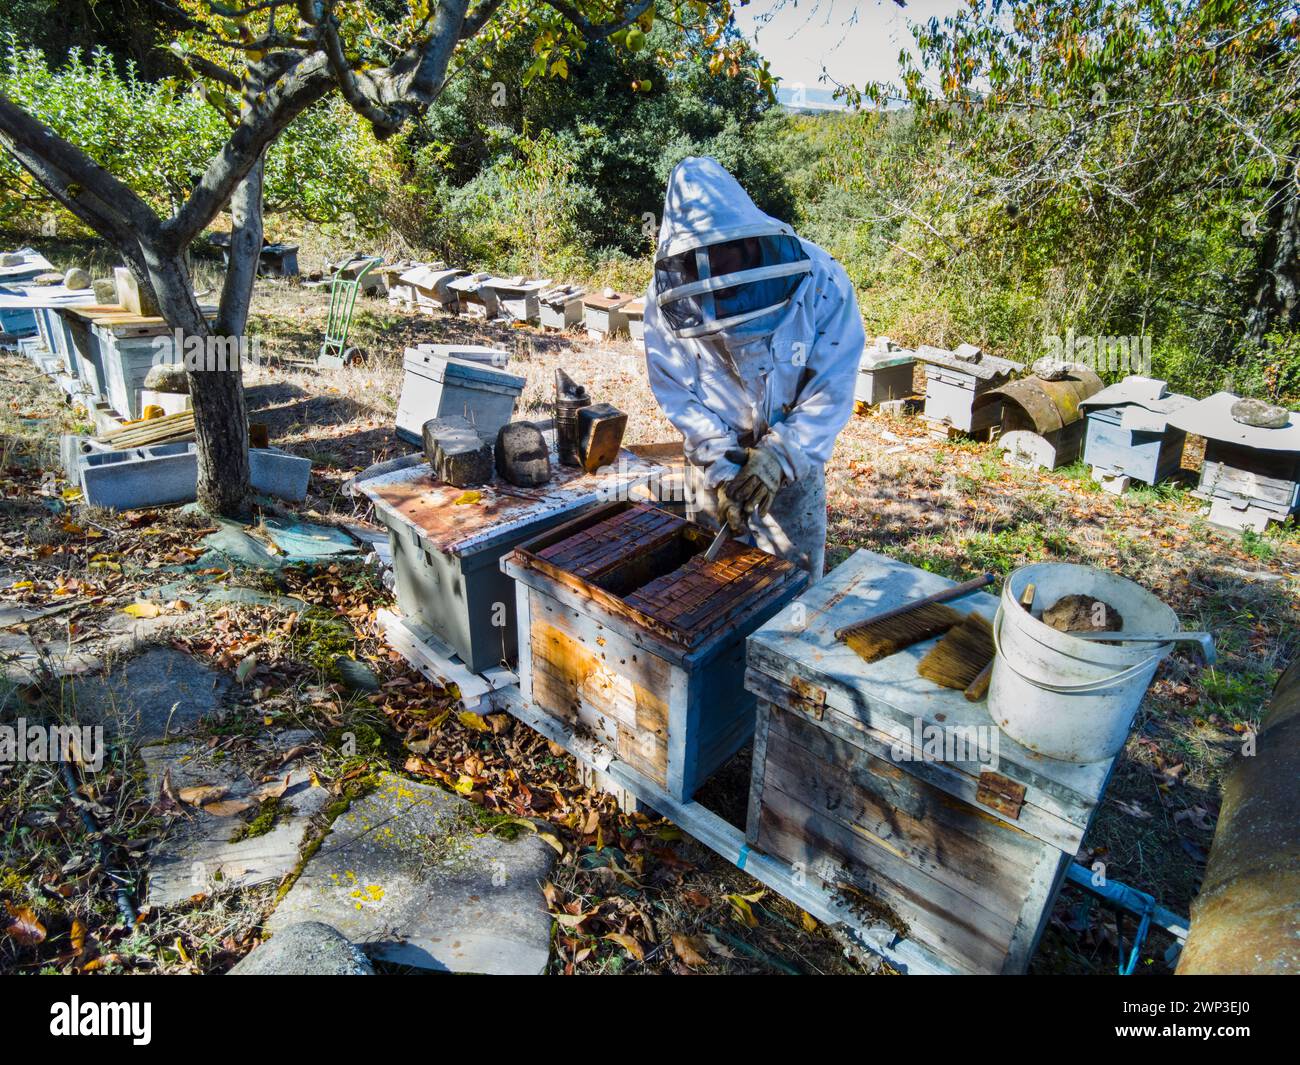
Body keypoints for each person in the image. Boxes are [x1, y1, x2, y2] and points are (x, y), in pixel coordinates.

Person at [644, 156, 865, 580]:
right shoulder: (668, 301)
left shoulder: (820, 280)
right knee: (714, 587)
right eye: (696, 263)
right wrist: (724, 472)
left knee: (793, 589)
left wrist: (779, 457)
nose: (713, 282)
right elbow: (679, 394)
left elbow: (832, 385)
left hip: (795, 456)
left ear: (748, 243)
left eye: (722, 260)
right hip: (715, 456)